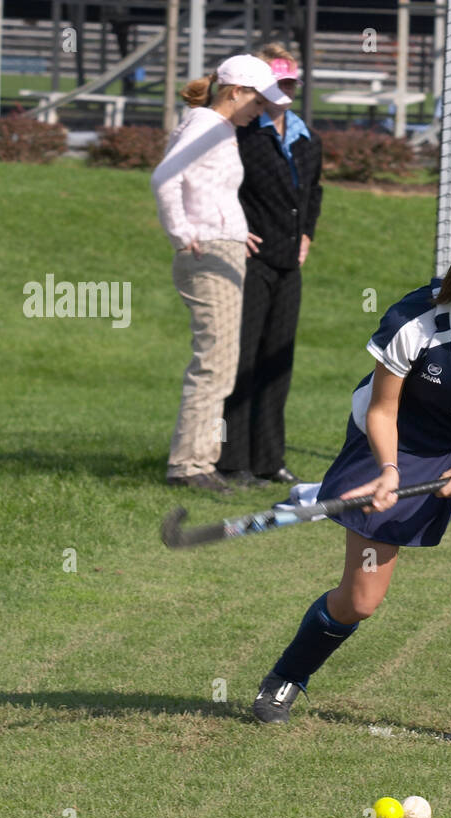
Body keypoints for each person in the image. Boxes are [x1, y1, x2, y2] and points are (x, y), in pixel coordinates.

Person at [252, 209, 451, 742]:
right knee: (361, 600)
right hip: (398, 440)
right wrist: (388, 471)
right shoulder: (414, 323)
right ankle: (285, 677)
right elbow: (382, 410)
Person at [151, 55, 291, 492]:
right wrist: (182, 234)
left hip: (225, 248)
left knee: (222, 363)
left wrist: (237, 231)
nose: (262, 109)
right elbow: (164, 179)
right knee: (214, 363)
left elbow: (209, 191)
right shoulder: (204, 125)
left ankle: (199, 462)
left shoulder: (222, 130)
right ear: (235, 92)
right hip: (207, 255)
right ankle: (189, 466)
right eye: (258, 100)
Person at [216, 44, 324, 489]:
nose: (283, 91)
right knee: (241, 358)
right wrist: (234, 229)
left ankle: (269, 459)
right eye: (275, 83)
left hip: (287, 264)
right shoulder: (240, 134)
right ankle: (231, 460)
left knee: (278, 359)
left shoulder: (306, 137)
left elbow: (313, 192)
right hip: (249, 260)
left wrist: (307, 234)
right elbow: (220, 185)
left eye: (290, 83)